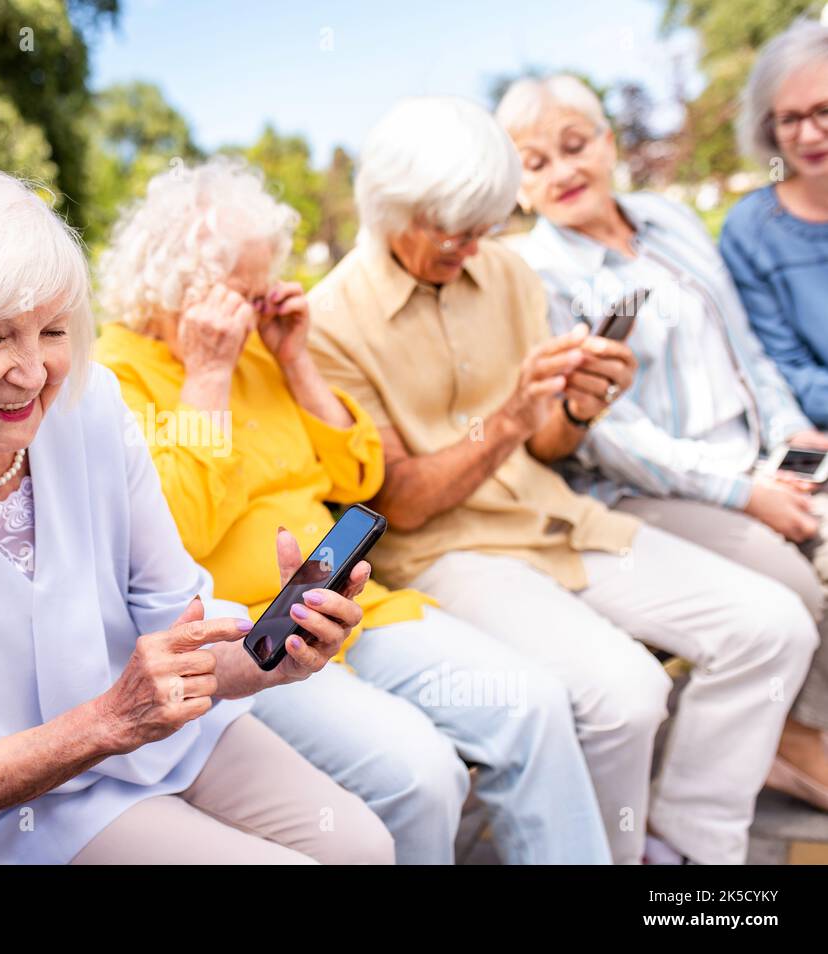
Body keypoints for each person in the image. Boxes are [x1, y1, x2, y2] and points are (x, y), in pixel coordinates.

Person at [0, 166, 393, 865]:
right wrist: (109, 721)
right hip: (30, 802)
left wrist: (275, 657)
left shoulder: (89, 403)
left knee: (365, 848)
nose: (34, 372)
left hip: (171, 728)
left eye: (55, 330)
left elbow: (171, 613)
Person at [307, 96, 818, 864]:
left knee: (773, 627)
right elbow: (401, 502)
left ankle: (682, 849)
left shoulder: (503, 269)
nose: (472, 245)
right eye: (453, 229)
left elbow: (546, 448)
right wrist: (514, 416)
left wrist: (579, 407)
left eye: (484, 225)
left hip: (557, 518)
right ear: (389, 210)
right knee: (627, 698)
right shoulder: (330, 321)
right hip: (447, 553)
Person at [93, 156, 611, 864]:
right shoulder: (114, 377)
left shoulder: (257, 353)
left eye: (258, 287)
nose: (254, 306)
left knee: (534, 705)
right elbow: (179, 529)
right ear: (181, 286)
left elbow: (358, 473)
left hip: (340, 601)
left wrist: (296, 360)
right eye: (240, 292)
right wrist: (207, 378)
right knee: (424, 776)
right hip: (250, 641)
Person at [498, 71, 828, 813]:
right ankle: (777, 752)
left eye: (575, 146)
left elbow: (742, 346)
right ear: (518, 189)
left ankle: (794, 731)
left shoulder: (667, 218)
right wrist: (747, 493)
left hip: (754, 455)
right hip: (649, 491)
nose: (563, 172)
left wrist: (789, 435)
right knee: (798, 585)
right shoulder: (538, 274)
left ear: (609, 144)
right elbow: (610, 435)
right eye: (536, 163)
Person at [723, 20, 828, 432]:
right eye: (789, 119)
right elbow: (783, 369)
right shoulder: (751, 232)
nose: (808, 134)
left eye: (825, 111)